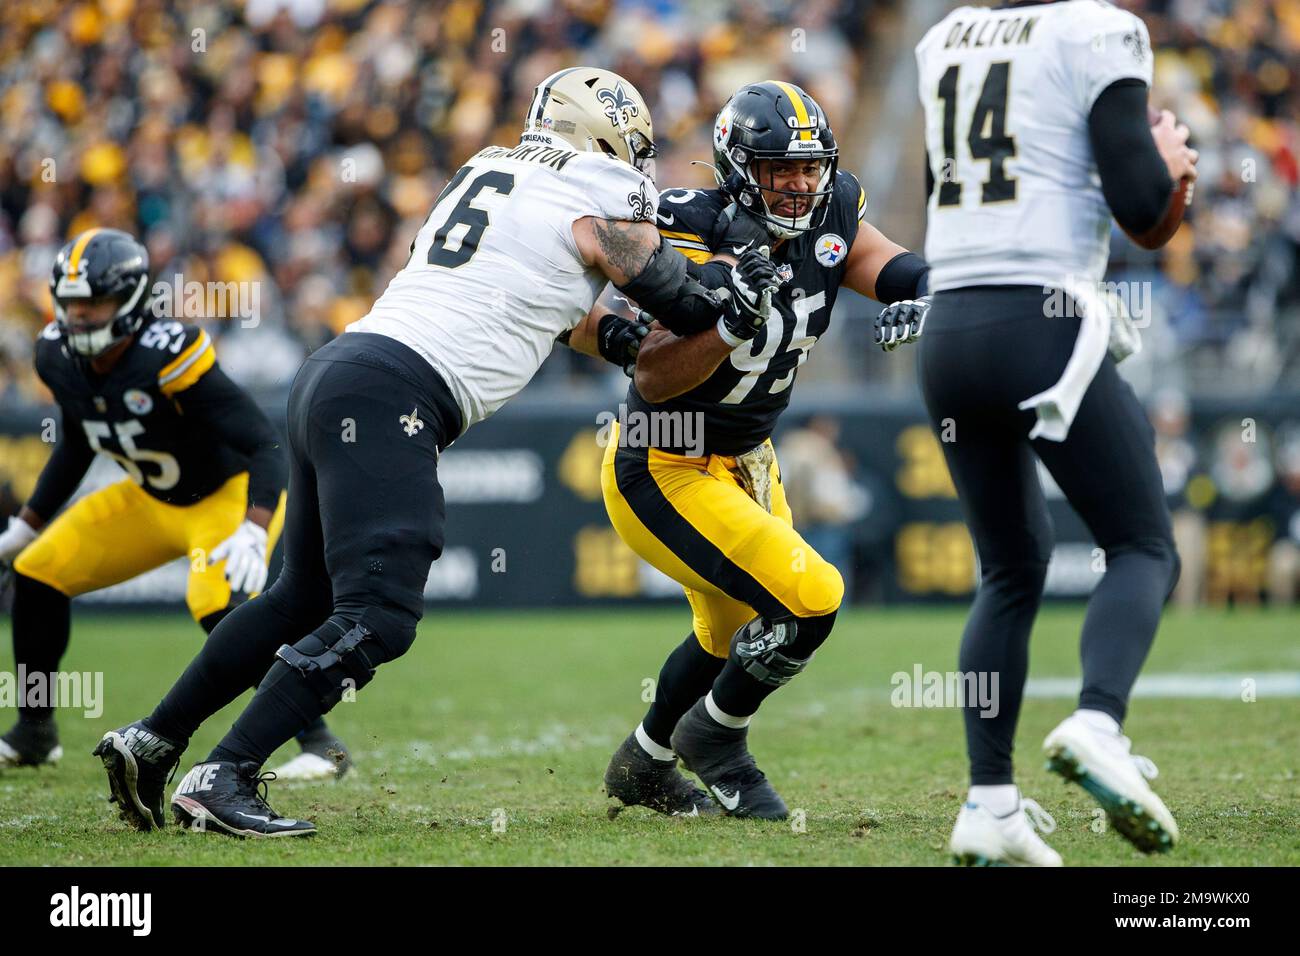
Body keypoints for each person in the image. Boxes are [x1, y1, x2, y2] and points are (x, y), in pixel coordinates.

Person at [94, 67, 753, 838]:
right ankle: (225, 772)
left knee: (298, 598)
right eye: (632, 149)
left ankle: (153, 739)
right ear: (603, 136)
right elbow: (671, 290)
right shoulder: (598, 184)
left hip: (341, 371)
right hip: (394, 393)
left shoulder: (487, 167)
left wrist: (617, 332)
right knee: (381, 611)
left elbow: (536, 295)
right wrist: (732, 287)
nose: (638, 166)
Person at [913, 0, 1198, 864]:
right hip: (1041, 311)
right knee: (1145, 545)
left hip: (948, 322)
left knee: (1008, 569)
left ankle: (989, 805)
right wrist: (1175, 164)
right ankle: (1098, 724)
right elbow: (1144, 205)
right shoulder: (1095, 29)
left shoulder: (941, 37)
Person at [598, 81, 929, 819]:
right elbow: (651, 374)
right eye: (781, 169)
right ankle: (718, 737)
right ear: (737, 166)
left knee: (728, 632)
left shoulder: (835, 208)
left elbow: (886, 262)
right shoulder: (689, 226)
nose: (800, 184)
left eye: (810, 168)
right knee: (810, 597)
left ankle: (645, 761)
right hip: (664, 459)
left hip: (751, 458)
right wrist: (726, 327)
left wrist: (930, 289)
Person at [0, 228, 350, 792]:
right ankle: (34, 732)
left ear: (133, 301)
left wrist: (253, 529)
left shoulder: (167, 352)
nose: (81, 316)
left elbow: (265, 444)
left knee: (217, 602)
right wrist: (26, 525)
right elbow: (77, 441)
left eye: (96, 303)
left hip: (224, 496)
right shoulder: (54, 354)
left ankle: (319, 742)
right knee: (37, 572)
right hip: (149, 498)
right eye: (72, 304)